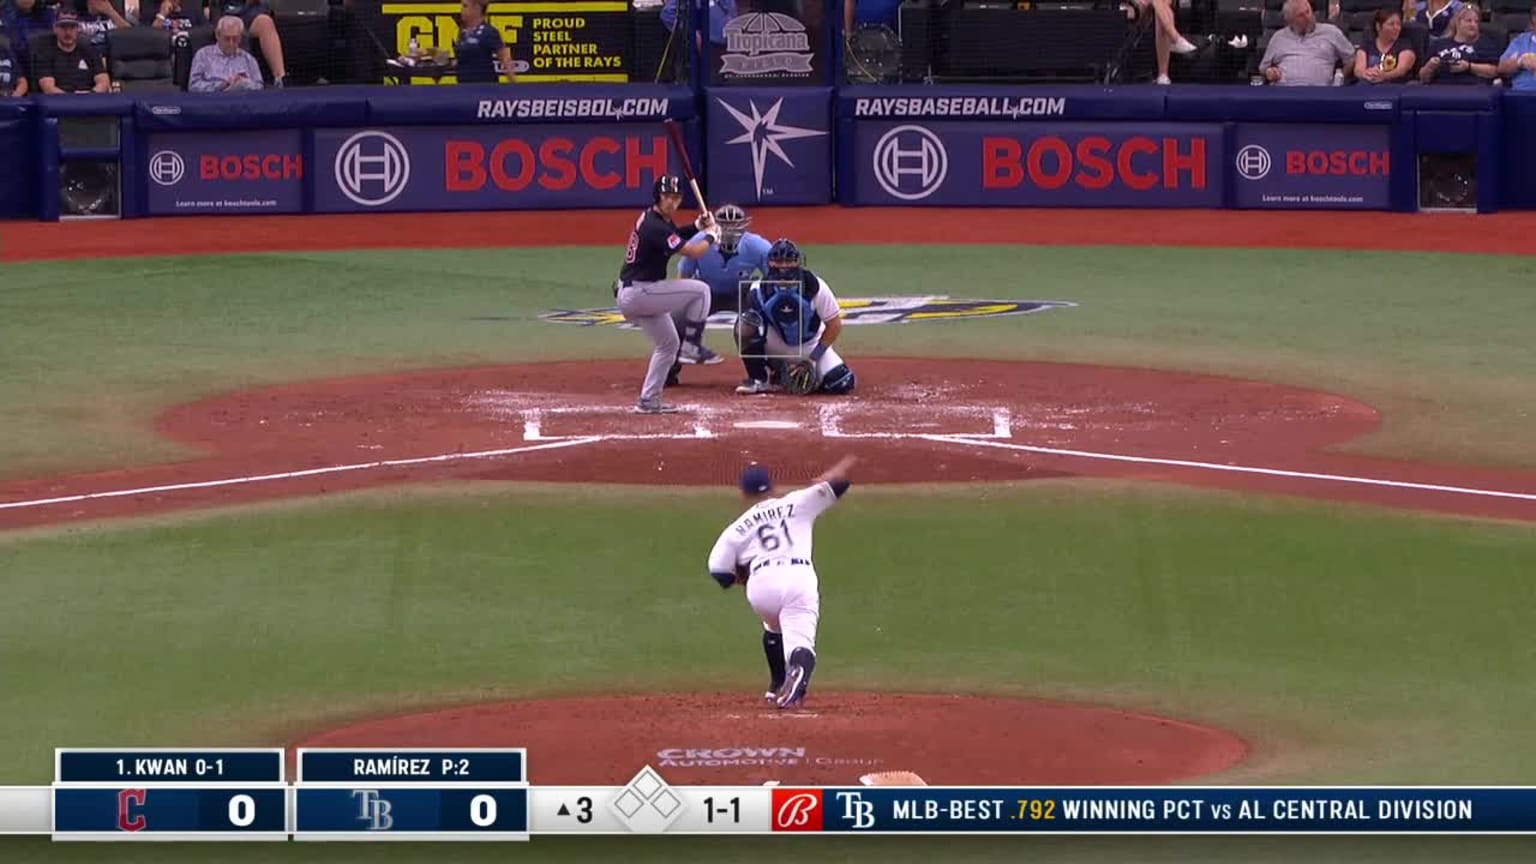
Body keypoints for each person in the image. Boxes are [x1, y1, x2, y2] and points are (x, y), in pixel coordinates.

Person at [706, 456, 857, 710]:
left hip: (761, 586)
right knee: (800, 642)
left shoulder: (736, 528)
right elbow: (841, 485)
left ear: (744, 493)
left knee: (773, 626)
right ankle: (796, 678)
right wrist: (823, 482)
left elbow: (719, 571)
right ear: (772, 486)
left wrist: (742, 579)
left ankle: (777, 684)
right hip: (798, 578)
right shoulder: (797, 501)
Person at [614, 175, 720, 414]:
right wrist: (712, 236)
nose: (671, 202)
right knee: (701, 291)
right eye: (667, 197)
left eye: (676, 197)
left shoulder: (657, 218)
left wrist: (697, 227)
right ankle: (692, 346)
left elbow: (675, 237)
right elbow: (692, 251)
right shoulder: (655, 226)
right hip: (640, 292)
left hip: (636, 292)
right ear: (658, 196)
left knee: (668, 343)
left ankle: (649, 400)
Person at [734, 238, 855, 396]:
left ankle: (797, 375)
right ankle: (759, 378)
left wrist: (812, 359)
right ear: (770, 263)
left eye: (789, 261)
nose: (784, 266)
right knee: (744, 324)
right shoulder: (758, 289)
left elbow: (834, 325)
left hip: (811, 345)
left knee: (841, 382)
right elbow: (751, 326)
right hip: (777, 343)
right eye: (779, 261)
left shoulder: (815, 286)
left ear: (798, 262)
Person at [674, 203, 771, 381]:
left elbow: (772, 279)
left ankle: (764, 371)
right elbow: (684, 276)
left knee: (756, 321)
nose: (729, 230)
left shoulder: (758, 246)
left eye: (734, 225)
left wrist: (765, 307)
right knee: (675, 319)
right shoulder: (698, 241)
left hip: (741, 292)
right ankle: (669, 369)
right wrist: (682, 307)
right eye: (724, 225)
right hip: (706, 292)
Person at [1259, 0, 1357, 85]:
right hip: (1285, 92)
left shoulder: (1331, 32)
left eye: (1308, 11)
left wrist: (1339, 79)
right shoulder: (1279, 37)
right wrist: (1269, 72)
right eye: (1301, 15)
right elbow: (1263, 68)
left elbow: (1351, 58)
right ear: (1290, 20)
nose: (1308, 17)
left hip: (1320, 93)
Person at [32, 10, 111, 93]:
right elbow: (48, 87)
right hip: (61, 102)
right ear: (55, 29)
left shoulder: (89, 50)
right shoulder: (45, 53)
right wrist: (71, 100)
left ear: (78, 29)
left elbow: (103, 81)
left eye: (72, 27)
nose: (68, 32)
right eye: (63, 27)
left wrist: (90, 96)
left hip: (89, 99)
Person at [1419, 3, 1499, 84]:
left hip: (1472, 90)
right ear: (1457, 22)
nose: (1473, 25)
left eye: (1476, 22)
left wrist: (1469, 66)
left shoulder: (1485, 44)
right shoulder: (1438, 45)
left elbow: (1494, 71)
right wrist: (1430, 66)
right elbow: (1423, 78)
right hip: (1440, 90)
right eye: (1469, 21)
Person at [453, 0, 513, 83]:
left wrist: (514, 85)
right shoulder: (462, 32)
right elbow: (463, 60)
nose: (462, 10)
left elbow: (505, 59)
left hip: (484, 87)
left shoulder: (489, 32)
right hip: (463, 87)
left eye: (465, 6)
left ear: (477, 8)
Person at [1354, 7, 1416, 84]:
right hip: (1368, 86)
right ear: (1378, 26)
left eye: (1398, 24)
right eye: (1391, 24)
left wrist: (1384, 75)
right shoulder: (1367, 45)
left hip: (1395, 88)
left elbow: (1402, 69)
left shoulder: (1405, 45)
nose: (1396, 28)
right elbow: (1358, 69)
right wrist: (1365, 74)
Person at [1496, 5, 1536, 91]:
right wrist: (1520, 61)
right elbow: (1501, 68)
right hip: (1521, 94)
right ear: (1532, 19)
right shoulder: (1520, 41)